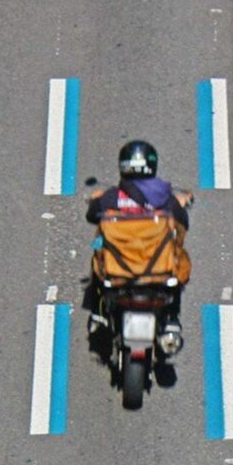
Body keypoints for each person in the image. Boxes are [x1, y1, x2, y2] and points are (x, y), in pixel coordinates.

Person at [84, 140, 191, 341]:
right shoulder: (167, 199)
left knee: (98, 251)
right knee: (177, 258)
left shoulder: (111, 198)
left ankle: (98, 315)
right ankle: (172, 320)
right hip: (159, 273)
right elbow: (184, 222)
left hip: (117, 274)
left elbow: (91, 216)